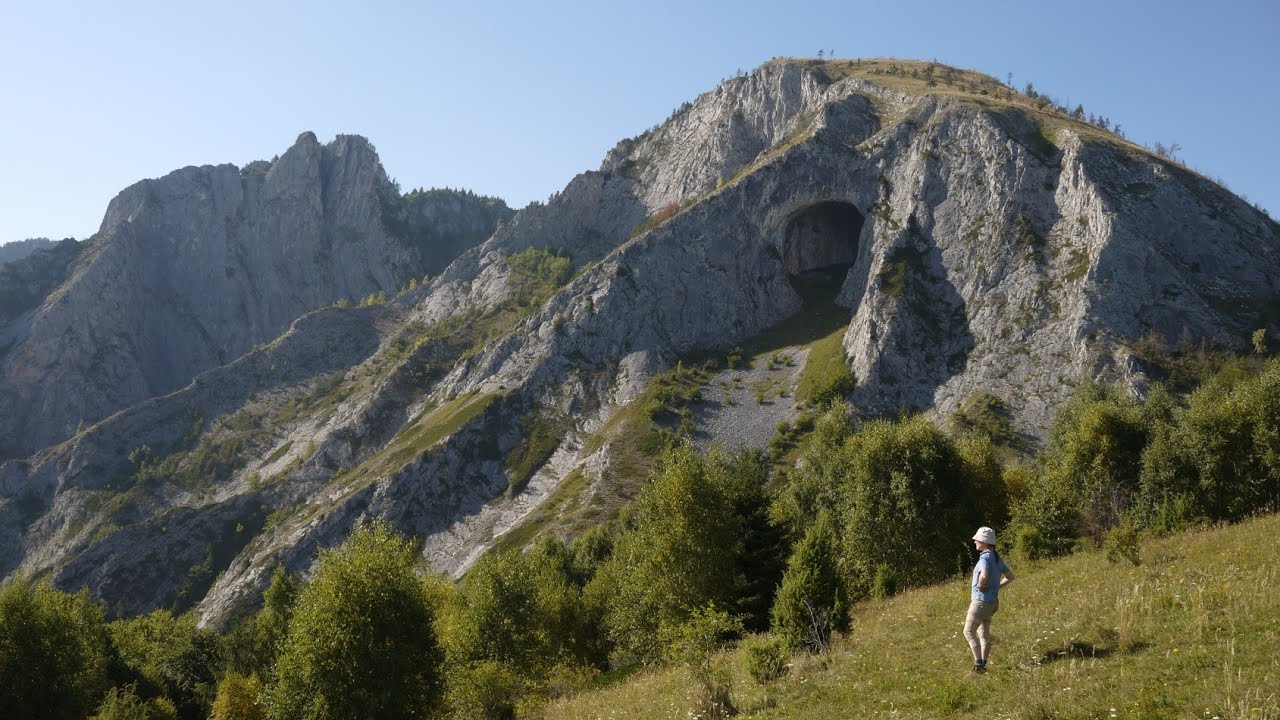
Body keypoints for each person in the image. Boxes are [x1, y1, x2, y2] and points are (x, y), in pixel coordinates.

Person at [964, 526, 1013, 674]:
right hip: (992, 603)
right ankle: (983, 665)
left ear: (985, 542)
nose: (975, 541)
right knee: (983, 634)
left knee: (968, 632)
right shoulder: (997, 559)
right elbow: (1011, 576)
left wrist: (982, 584)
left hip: (980, 602)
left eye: (977, 539)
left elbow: (984, 574)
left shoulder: (985, 557)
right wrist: (996, 587)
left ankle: (978, 665)